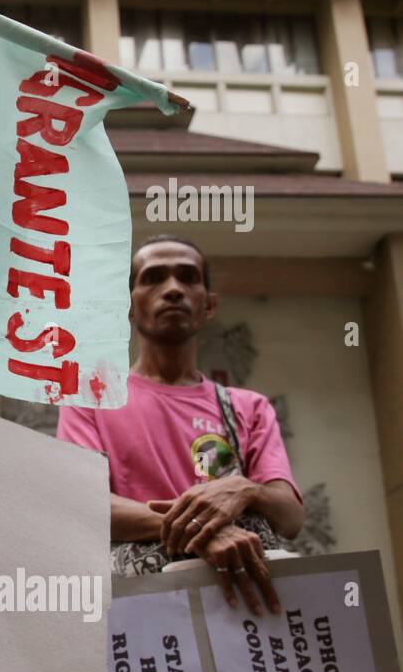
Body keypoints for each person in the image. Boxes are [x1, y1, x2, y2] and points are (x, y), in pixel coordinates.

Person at [56, 234, 305, 610]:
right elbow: (83, 504)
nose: (173, 289)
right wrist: (204, 532)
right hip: (146, 616)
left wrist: (244, 490)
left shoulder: (249, 407)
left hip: (249, 612)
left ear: (209, 304)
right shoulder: (90, 399)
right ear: (128, 305)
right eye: (154, 277)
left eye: (188, 277)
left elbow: (290, 516)